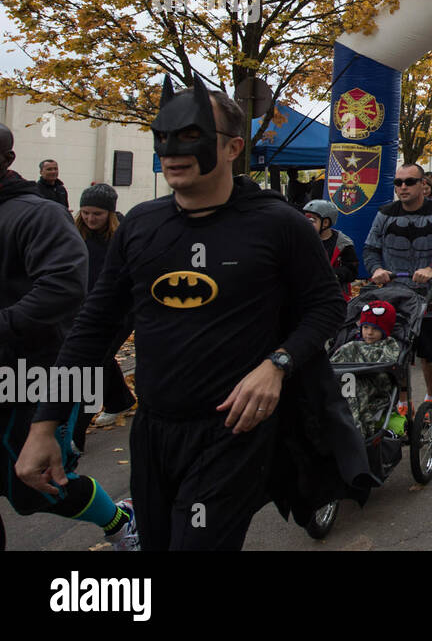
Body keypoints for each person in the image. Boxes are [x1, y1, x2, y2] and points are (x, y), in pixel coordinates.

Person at [17, 78, 370, 550]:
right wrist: (45, 424)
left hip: (232, 434)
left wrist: (278, 364)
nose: (172, 150)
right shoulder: (141, 225)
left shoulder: (278, 224)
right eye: (163, 137)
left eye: (191, 136)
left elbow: (326, 306)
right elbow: (94, 328)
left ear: (233, 148)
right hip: (154, 432)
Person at [0, 124, 138, 550]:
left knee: (36, 483)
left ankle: (122, 521)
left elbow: (62, 287)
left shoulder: (37, 213)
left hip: (35, 374)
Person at [364, 162, 432, 412]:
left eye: (409, 182)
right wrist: (376, 268)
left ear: (423, 184)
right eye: (398, 182)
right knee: (395, 351)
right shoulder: (386, 214)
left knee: (431, 353)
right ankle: (402, 400)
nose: (402, 187)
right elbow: (370, 248)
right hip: (394, 295)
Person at [71, 183, 136, 441]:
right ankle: (119, 400)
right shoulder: (76, 235)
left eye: (96, 214)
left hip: (120, 312)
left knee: (96, 360)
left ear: (109, 213)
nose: (90, 218)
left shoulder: (120, 239)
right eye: (85, 212)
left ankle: (77, 426)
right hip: (87, 310)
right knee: (100, 357)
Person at [330, 300, 403, 437]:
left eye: (375, 329)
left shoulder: (389, 346)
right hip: (350, 381)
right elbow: (334, 363)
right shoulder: (353, 346)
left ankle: (357, 432)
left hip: (376, 387)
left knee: (350, 384)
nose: (369, 333)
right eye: (366, 328)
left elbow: (385, 369)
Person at [303, 199, 358, 298]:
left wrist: (334, 274)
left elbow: (352, 270)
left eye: (312, 220)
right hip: (307, 293)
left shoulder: (343, 244)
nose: (307, 224)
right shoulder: (302, 240)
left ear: (325, 223)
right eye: (305, 220)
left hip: (333, 294)